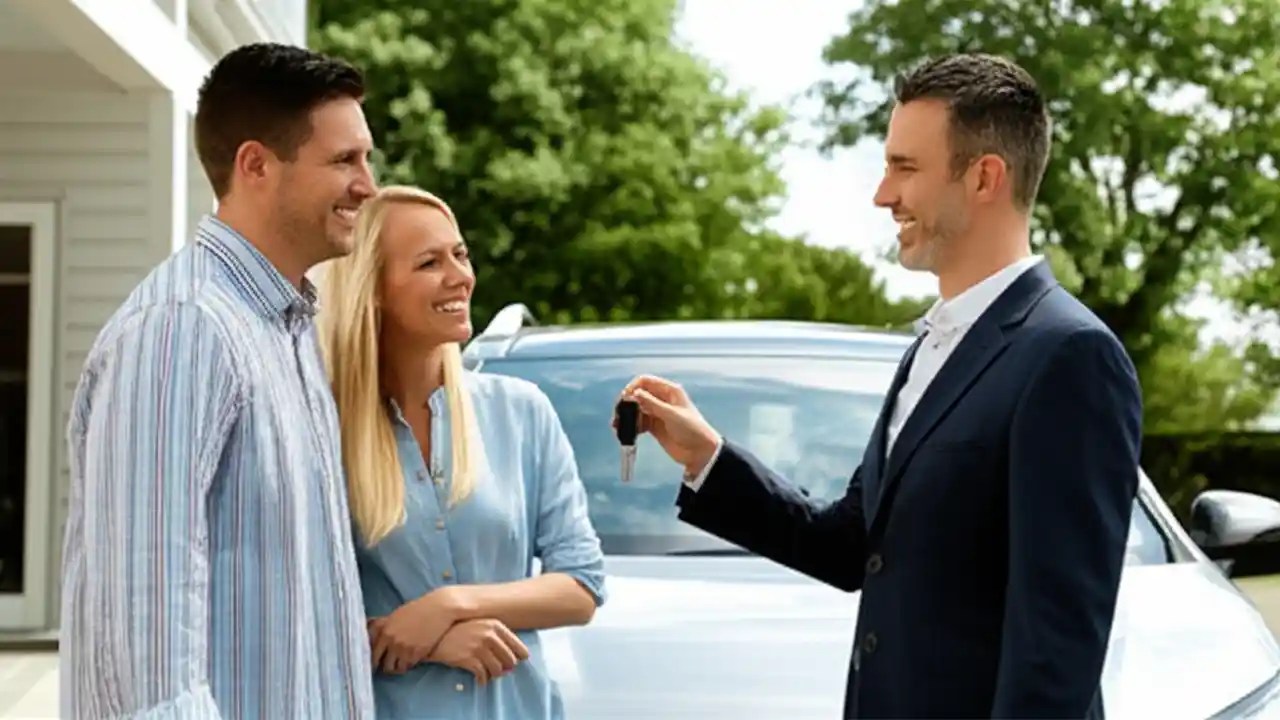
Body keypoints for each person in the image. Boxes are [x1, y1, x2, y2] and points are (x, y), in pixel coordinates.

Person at [621, 53, 1143, 719]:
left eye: (905, 167)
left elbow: (1056, 648)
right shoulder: (930, 348)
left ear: (984, 177)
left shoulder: (1071, 356)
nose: (882, 194)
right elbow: (851, 545)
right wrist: (706, 457)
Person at [59, 43, 379, 718]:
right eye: (344, 160)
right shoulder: (183, 329)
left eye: (366, 159)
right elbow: (147, 618)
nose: (367, 185)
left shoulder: (284, 330)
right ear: (256, 165)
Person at [315, 185, 606, 720]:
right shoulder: (319, 429)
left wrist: (450, 606)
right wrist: (430, 642)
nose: (461, 277)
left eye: (461, 254)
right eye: (430, 262)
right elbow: (294, 616)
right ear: (373, 289)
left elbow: (582, 585)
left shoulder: (522, 413)